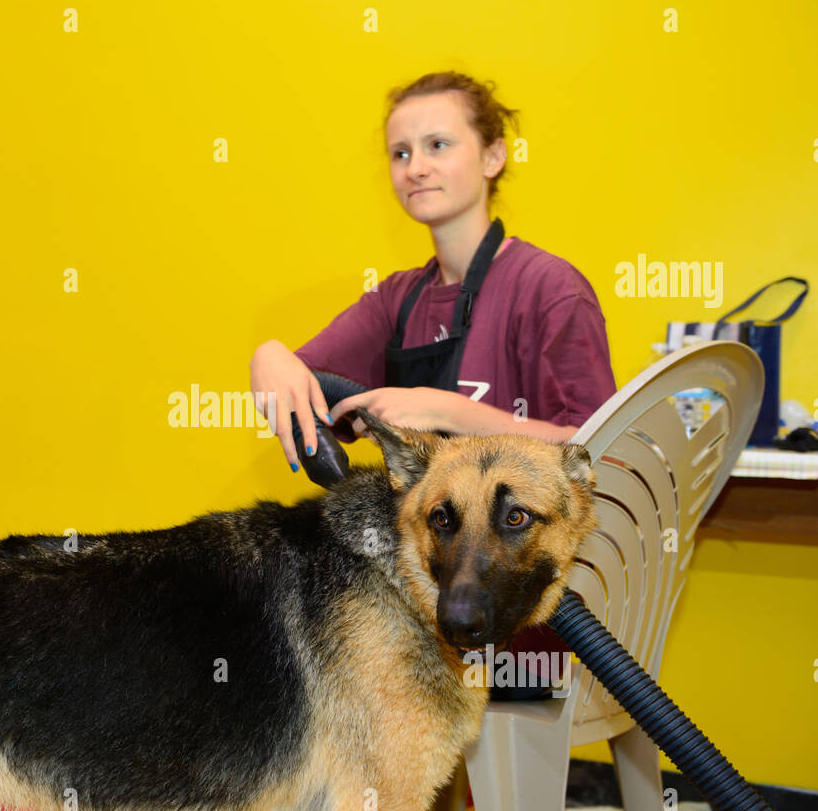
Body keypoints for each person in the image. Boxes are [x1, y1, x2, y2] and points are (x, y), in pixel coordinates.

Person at [248, 71, 616, 699]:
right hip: (433, 598)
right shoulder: (398, 296)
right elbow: (298, 376)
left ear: (494, 155)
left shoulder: (551, 289)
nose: (416, 166)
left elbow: (598, 445)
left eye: (438, 145)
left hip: (527, 614)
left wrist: (447, 410)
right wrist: (269, 356)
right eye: (401, 153)